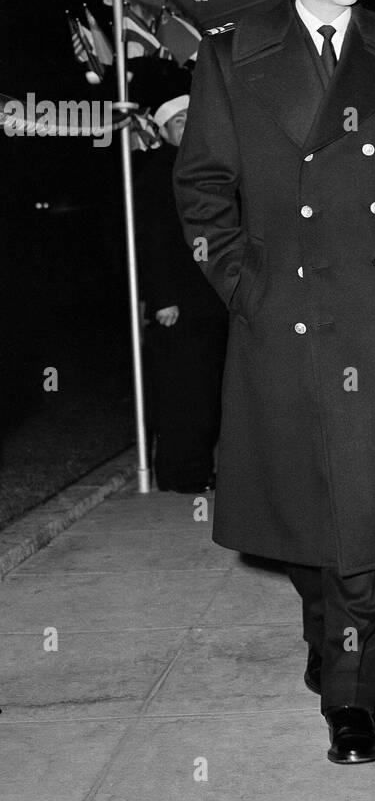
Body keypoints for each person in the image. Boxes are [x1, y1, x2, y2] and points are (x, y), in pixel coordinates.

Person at [174, 0, 375, 765]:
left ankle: (350, 701)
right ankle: (326, 624)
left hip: (374, 318)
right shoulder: (230, 53)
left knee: (367, 521)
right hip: (279, 317)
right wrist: (241, 285)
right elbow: (204, 187)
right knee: (300, 515)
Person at [134, 66, 227, 492]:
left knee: (207, 390)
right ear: (164, 130)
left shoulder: (205, 166)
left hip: (210, 299)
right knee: (182, 392)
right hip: (179, 305)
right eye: (178, 121)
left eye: (192, 118)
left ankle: (198, 467)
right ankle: (180, 474)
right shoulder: (159, 170)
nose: (187, 126)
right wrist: (163, 298)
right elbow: (151, 238)